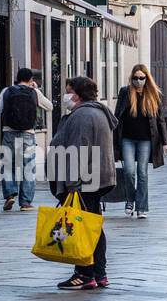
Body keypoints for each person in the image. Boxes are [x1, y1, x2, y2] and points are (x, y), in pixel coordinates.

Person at [48, 75, 117, 289]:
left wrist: (73, 184)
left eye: (68, 91)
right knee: (92, 224)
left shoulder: (82, 116)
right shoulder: (99, 112)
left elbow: (77, 150)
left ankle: (85, 274)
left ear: (77, 95)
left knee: (83, 226)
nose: (65, 96)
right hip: (98, 176)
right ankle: (98, 272)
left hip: (85, 179)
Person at [0, 67, 52, 211]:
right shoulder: (34, 92)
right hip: (28, 135)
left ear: (17, 78)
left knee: (8, 166)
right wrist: (36, 89)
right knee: (28, 168)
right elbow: (50, 107)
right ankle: (26, 203)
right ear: (31, 80)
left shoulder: (7, 91)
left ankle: (10, 195)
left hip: (9, 133)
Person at [113, 63, 167, 219]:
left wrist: (165, 142)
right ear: (131, 78)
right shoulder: (125, 92)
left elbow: (160, 120)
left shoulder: (153, 94)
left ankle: (142, 207)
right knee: (129, 171)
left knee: (142, 173)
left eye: (141, 78)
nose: (138, 81)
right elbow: (117, 115)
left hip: (146, 139)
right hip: (127, 139)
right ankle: (130, 200)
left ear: (147, 78)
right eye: (135, 78)